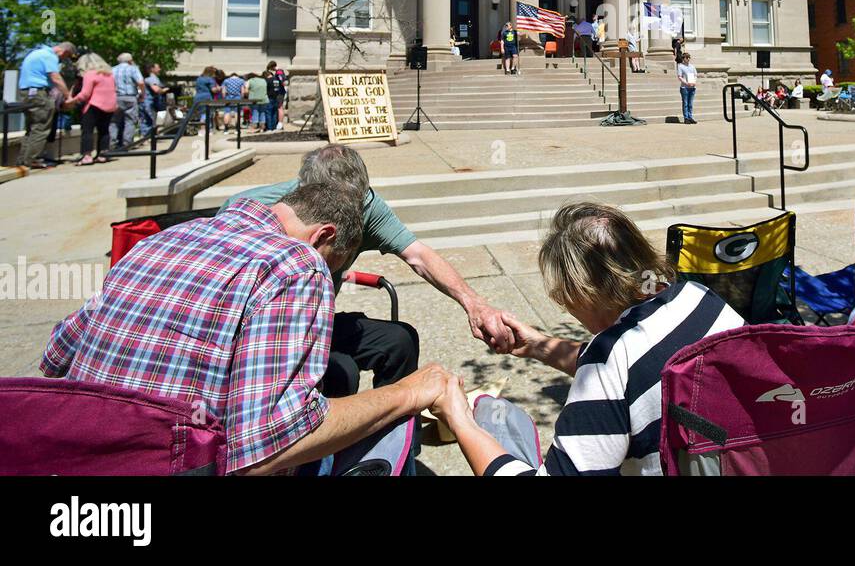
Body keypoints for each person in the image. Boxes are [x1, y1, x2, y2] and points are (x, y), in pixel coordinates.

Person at [42, 183, 451, 475]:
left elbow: (56, 355)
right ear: (322, 236)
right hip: (175, 461)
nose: (330, 276)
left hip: (79, 454)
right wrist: (408, 393)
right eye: (333, 264)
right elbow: (266, 448)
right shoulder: (296, 262)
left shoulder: (161, 240)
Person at [425, 202, 745, 475]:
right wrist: (537, 345)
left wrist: (459, 419)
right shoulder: (700, 298)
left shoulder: (608, 359)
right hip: (745, 459)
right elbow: (635, 371)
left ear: (582, 292)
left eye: (564, 297)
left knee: (498, 425)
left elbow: (615, 370)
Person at [222, 145, 516, 397]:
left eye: (354, 206)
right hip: (256, 333)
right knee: (341, 372)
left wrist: (476, 306)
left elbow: (419, 255)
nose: (349, 217)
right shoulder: (252, 209)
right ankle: (326, 457)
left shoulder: (365, 205)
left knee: (399, 341)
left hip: (318, 322)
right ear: (308, 193)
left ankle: (394, 448)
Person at [15, 41, 76, 175]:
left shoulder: (36, 53)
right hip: (38, 93)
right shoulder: (50, 57)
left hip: (26, 93)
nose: (63, 60)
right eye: (66, 57)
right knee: (41, 127)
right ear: (65, 52)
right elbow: (55, 77)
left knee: (32, 128)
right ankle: (31, 160)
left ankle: (23, 160)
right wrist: (68, 96)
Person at [65, 53, 117, 166]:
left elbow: (85, 94)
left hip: (94, 105)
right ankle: (103, 154)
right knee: (104, 131)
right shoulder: (110, 75)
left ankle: (87, 155)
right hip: (110, 106)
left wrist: (72, 101)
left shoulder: (90, 74)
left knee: (87, 131)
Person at [108, 53, 145, 150]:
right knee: (130, 120)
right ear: (130, 60)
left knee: (114, 121)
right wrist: (142, 94)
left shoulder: (112, 69)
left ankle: (112, 143)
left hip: (116, 97)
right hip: (130, 97)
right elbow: (140, 82)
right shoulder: (133, 68)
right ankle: (127, 144)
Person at [676, 51, 699, 124]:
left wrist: (694, 82)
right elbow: (679, 77)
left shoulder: (692, 66)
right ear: (684, 59)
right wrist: (686, 83)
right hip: (684, 87)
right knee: (685, 103)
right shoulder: (680, 66)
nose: (688, 59)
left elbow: (695, 75)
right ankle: (686, 118)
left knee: (690, 104)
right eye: (687, 58)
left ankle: (690, 117)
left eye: (689, 57)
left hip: (692, 87)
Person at [264, 62, 287, 131]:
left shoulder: (279, 71)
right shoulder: (277, 72)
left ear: (272, 67)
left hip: (280, 93)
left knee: (280, 107)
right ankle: (276, 124)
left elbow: (282, 80)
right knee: (276, 109)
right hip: (278, 93)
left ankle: (279, 124)